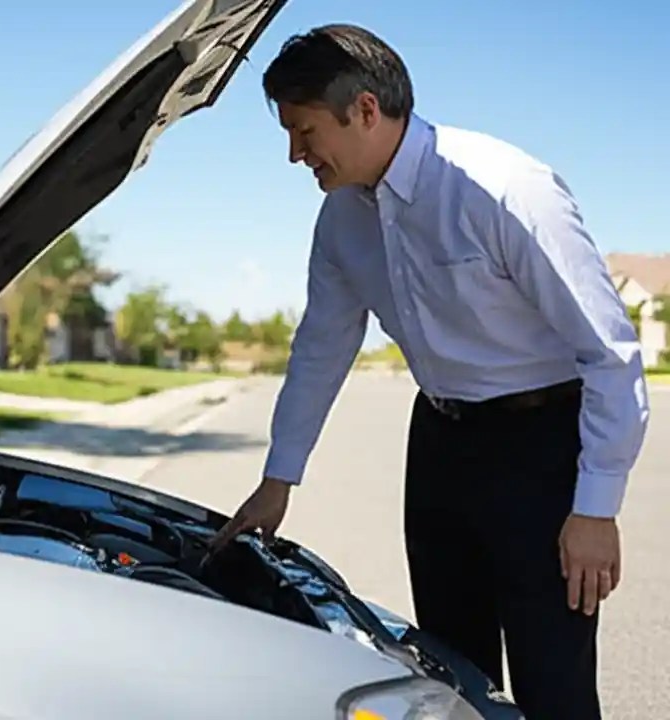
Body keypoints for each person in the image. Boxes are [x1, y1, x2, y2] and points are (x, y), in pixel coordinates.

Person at [208, 23, 649, 720]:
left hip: (543, 452)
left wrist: (595, 510)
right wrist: (278, 477)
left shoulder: (505, 190)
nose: (295, 154)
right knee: (449, 676)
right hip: (441, 445)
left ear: (364, 111)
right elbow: (321, 345)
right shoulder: (341, 220)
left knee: (553, 685)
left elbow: (610, 354)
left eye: (304, 130)